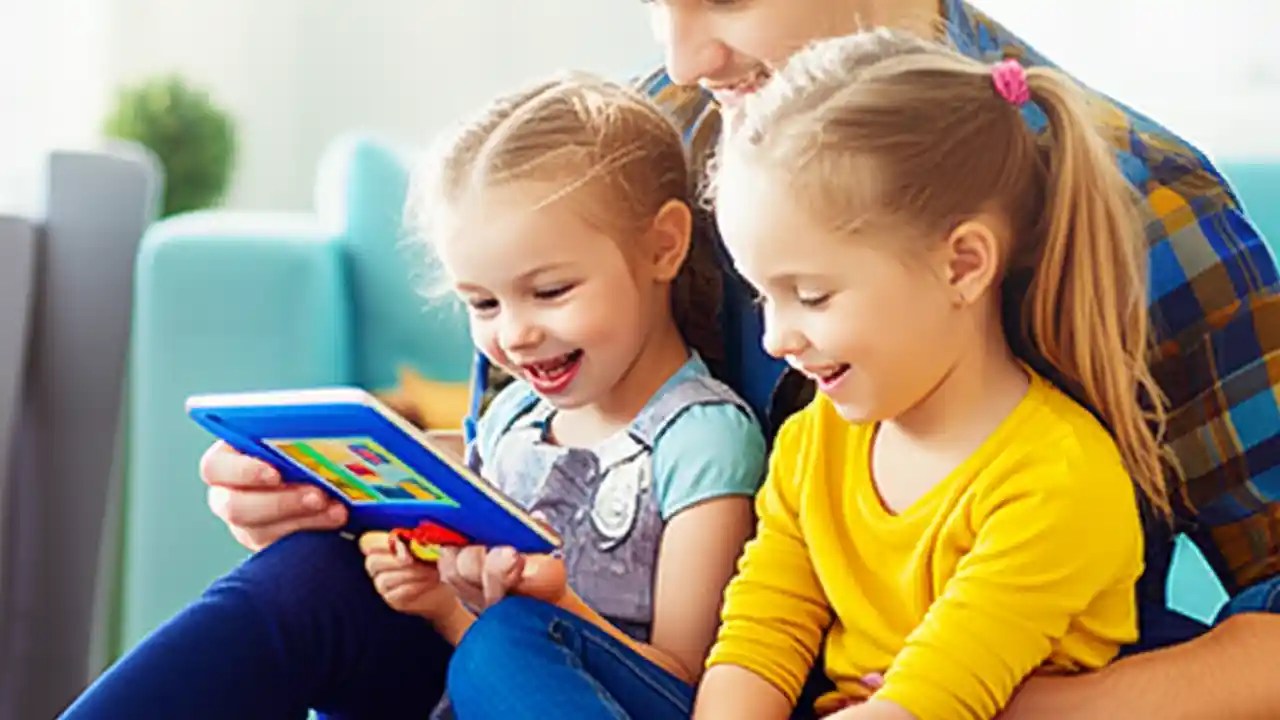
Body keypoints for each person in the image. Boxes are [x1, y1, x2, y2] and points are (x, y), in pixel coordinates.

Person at [68, 1, 1280, 718]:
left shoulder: (1133, 199)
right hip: (660, 671)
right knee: (310, 590)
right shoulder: (649, 144)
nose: (689, 54)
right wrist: (355, 491)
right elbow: (531, 471)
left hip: (956, 685)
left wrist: (1017, 708)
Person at [448, 28, 1163, 719]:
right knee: (503, 648)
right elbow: (761, 635)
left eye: (812, 296)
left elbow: (934, 696)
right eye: (764, 295)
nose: (775, 337)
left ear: (963, 265)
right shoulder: (816, 441)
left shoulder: (1056, 479)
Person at [64, 74, 766, 718]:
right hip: (462, 683)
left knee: (507, 641)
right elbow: (465, 623)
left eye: (550, 292)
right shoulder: (515, 419)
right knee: (313, 566)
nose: (516, 336)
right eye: (483, 303)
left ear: (663, 247)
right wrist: (432, 592)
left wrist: (553, 612)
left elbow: (683, 684)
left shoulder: (701, 437)